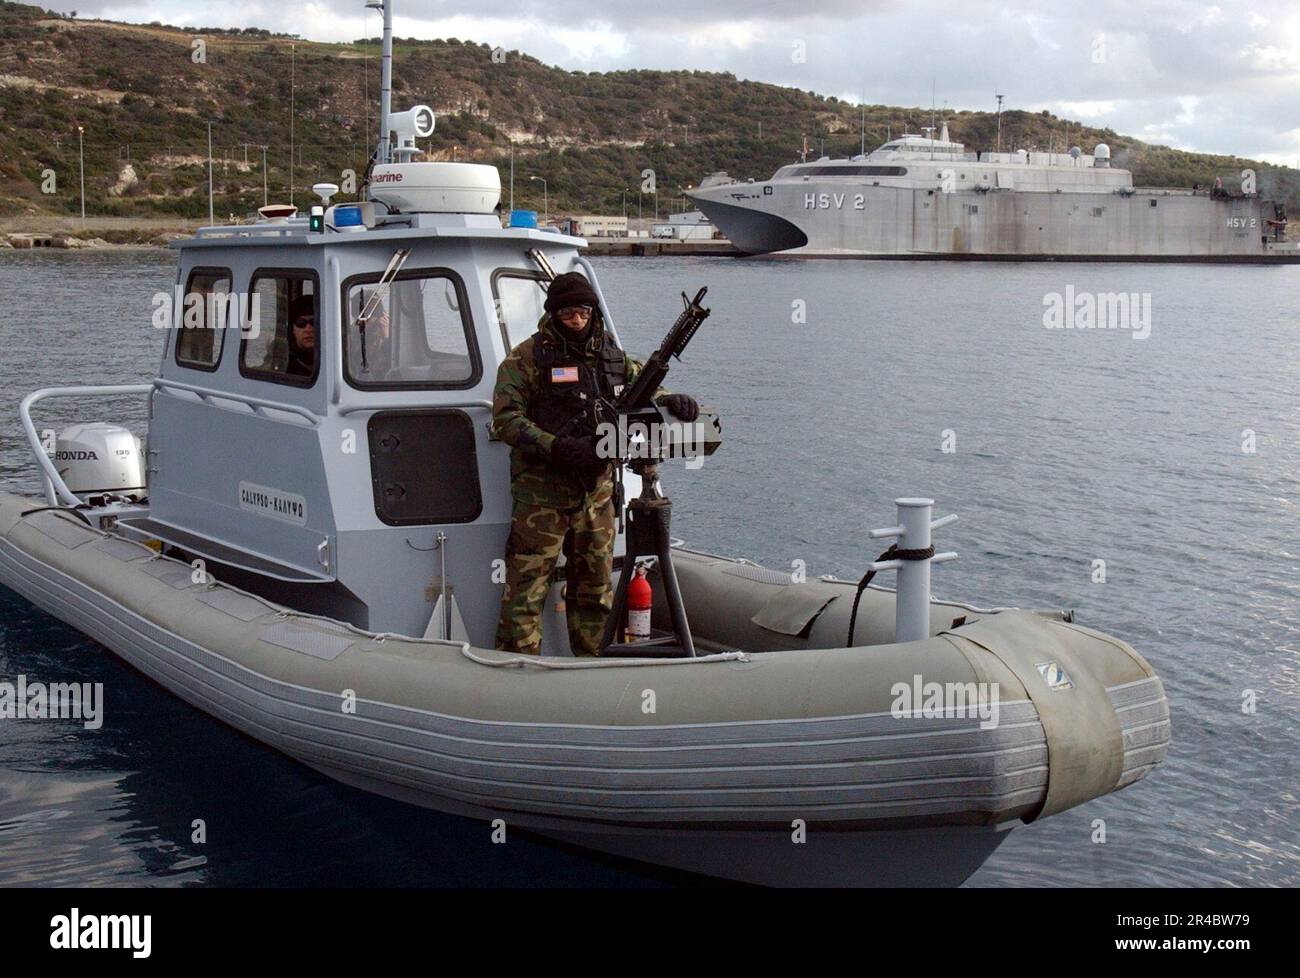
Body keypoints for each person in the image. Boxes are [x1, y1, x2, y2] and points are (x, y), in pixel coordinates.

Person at [493, 272, 699, 656]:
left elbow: (645, 386)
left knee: (596, 591)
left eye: (584, 313)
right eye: (569, 314)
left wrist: (673, 399)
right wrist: (557, 447)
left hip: (597, 495)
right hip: (543, 497)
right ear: (554, 314)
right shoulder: (526, 359)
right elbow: (506, 419)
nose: (577, 321)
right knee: (526, 591)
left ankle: (593, 667)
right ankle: (517, 673)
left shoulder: (611, 358)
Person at [286, 296, 317, 378]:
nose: (308, 329)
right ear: (293, 330)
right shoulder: (283, 365)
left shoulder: (337, 361)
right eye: (301, 323)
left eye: (314, 322)